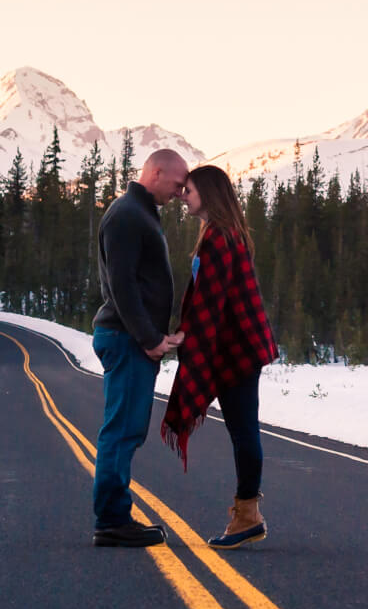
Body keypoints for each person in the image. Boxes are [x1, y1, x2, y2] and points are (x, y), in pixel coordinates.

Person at [162, 163, 278, 549]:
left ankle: (248, 516)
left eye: (189, 191)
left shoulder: (219, 237)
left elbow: (211, 301)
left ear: (208, 194)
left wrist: (187, 335)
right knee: (242, 430)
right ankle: (248, 513)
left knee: (243, 431)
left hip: (237, 349)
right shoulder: (222, 232)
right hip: (238, 346)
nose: (183, 197)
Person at [91, 149, 188, 548]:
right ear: (157, 172)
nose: (180, 193)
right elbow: (123, 285)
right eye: (177, 184)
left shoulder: (138, 212)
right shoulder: (128, 215)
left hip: (130, 339)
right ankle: (112, 520)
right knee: (122, 430)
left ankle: (114, 516)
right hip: (127, 339)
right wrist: (149, 339)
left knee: (127, 429)